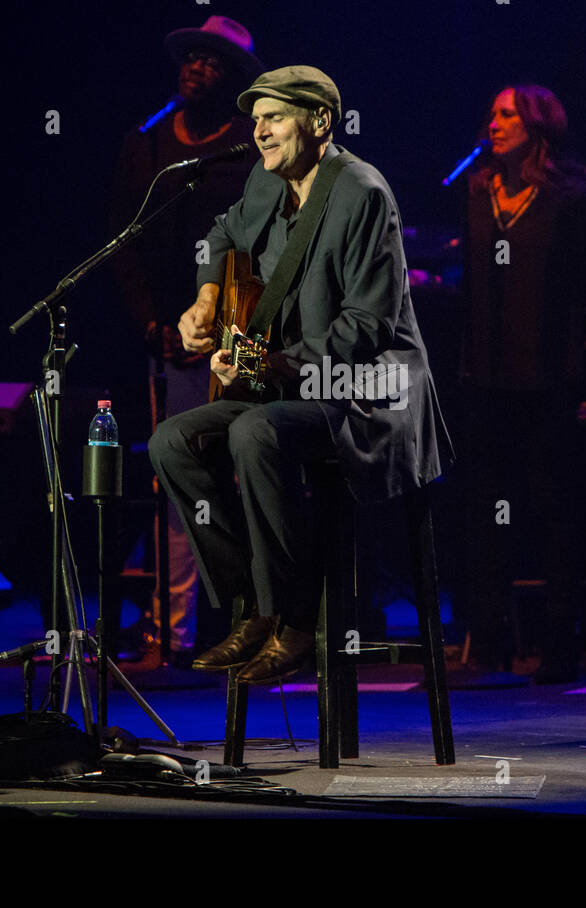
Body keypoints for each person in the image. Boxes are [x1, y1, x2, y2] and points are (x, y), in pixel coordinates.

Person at [147, 66, 453, 684]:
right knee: (172, 442)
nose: (258, 131)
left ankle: (297, 620)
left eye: (274, 117)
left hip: (364, 391)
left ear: (319, 122)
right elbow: (217, 235)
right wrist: (206, 299)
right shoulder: (265, 183)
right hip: (287, 386)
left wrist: (274, 363)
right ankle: (255, 606)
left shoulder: (363, 192)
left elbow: (366, 327)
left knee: (256, 431)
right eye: (255, 119)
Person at [108, 16, 263, 666]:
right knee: (171, 488)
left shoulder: (246, 153)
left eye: (212, 60)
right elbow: (125, 247)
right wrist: (153, 326)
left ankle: (245, 623)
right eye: (191, 56)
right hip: (167, 344)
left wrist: (225, 329)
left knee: (239, 480)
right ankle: (170, 631)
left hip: (234, 340)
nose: (195, 67)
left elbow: (258, 246)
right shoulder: (147, 147)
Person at [460, 84, 586, 683]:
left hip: (546, 375)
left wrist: (573, 343)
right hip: (485, 373)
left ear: (537, 126)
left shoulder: (569, 198)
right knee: (484, 508)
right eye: (491, 113)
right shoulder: (477, 192)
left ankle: (558, 645)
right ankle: (488, 642)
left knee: (550, 506)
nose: (492, 123)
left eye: (506, 114)